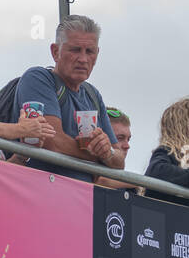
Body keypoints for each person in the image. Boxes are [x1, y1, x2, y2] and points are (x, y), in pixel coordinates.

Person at [13, 15, 121, 180]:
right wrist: (99, 156)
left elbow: (119, 161)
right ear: (55, 52)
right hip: (38, 193)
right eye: (75, 50)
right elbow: (52, 141)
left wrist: (108, 151)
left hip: (81, 200)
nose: (83, 59)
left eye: (89, 51)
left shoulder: (93, 95)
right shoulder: (38, 78)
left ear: (97, 54)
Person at [95, 108, 140, 191]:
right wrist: (139, 183)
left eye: (128, 139)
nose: (127, 146)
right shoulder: (81, 164)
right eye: (120, 138)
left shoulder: (129, 186)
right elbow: (97, 181)